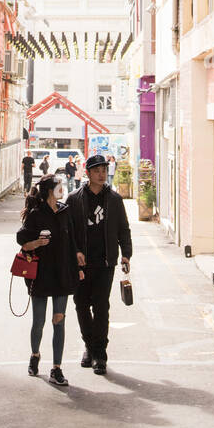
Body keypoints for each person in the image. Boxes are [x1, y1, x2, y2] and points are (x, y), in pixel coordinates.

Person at [16, 175, 85, 387]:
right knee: (39, 322)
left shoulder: (65, 211)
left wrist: (78, 266)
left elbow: (72, 240)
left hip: (63, 274)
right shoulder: (36, 215)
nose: (62, 189)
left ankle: (57, 368)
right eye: (58, 186)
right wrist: (37, 242)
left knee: (59, 321)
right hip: (41, 275)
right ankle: (35, 355)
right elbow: (21, 240)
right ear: (48, 190)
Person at [67, 154, 132, 376]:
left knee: (101, 306)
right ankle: (90, 346)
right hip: (81, 264)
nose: (102, 174)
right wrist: (75, 252)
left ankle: (100, 354)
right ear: (88, 173)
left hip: (105, 262)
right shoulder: (74, 199)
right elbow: (68, 231)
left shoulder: (114, 199)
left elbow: (123, 228)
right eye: (97, 170)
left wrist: (126, 254)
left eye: (104, 170)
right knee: (81, 305)